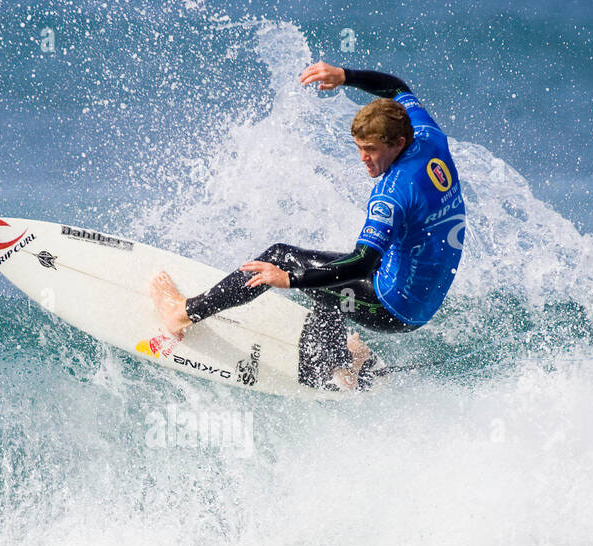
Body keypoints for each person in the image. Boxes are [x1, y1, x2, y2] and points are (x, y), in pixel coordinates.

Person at [147, 61, 466, 390]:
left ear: (398, 144)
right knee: (327, 276)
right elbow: (397, 88)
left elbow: (362, 264)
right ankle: (342, 364)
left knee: (283, 257)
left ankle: (183, 313)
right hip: (422, 290)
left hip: (392, 306)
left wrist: (289, 279)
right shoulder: (428, 137)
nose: (363, 159)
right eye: (359, 149)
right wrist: (346, 76)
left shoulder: (391, 195)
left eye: (371, 150)